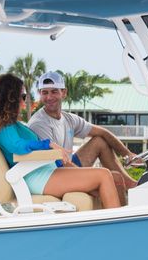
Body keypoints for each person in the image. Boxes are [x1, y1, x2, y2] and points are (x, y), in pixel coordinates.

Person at [0, 73, 120, 210]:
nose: (25, 101)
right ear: (11, 98)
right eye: (23, 97)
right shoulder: (4, 127)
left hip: (45, 172)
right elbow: (18, 147)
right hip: (37, 177)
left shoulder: (14, 124)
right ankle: (119, 230)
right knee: (104, 175)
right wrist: (47, 144)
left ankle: (114, 225)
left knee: (115, 179)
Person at [28, 71, 139, 202]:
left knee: (99, 141)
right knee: (114, 178)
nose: (49, 97)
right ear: (40, 94)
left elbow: (102, 132)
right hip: (56, 173)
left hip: (69, 164)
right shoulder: (39, 123)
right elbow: (58, 163)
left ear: (64, 93)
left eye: (54, 91)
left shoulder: (69, 119)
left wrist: (128, 154)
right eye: (44, 92)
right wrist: (89, 178)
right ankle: (123, 218)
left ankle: (132, 185)